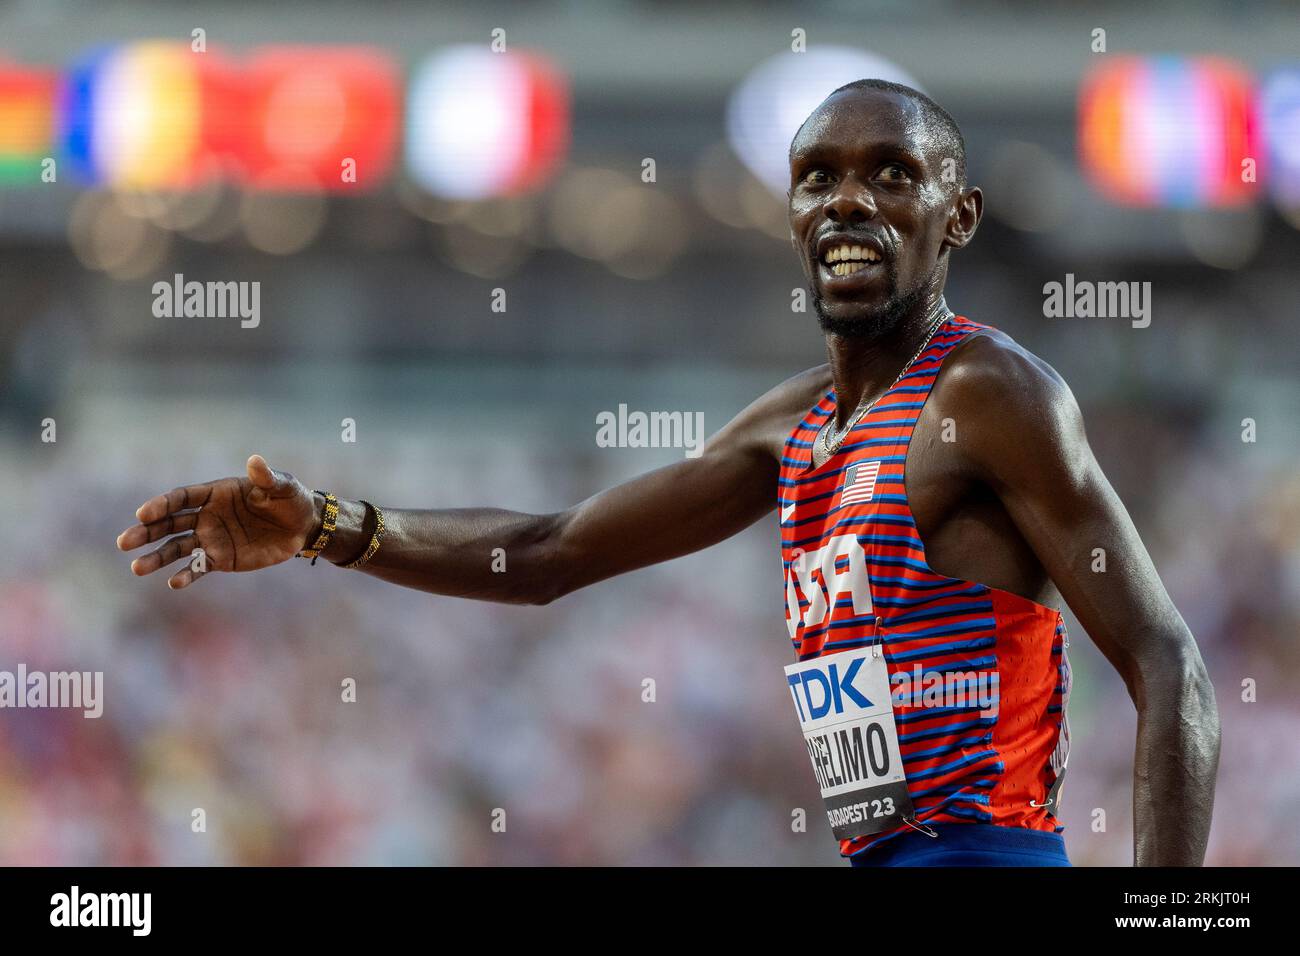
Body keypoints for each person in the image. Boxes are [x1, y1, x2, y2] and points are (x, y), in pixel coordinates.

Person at [116, 79, 1219, 866]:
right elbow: (547, 553)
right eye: (818, 178)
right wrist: (331, 525)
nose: (848, 201)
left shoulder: (990, 394)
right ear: (790, 216)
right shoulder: (786, 428)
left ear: (956, 217)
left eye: (892, 175)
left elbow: (1169, 659)